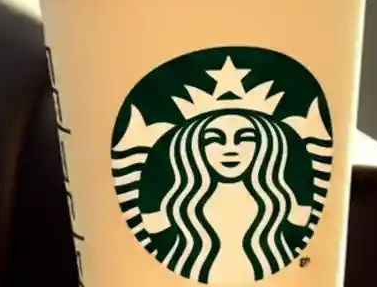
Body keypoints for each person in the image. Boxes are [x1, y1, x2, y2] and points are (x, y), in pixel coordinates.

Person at [134, 110, 313, 283]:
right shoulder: (177, 204)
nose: (230, 149)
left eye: (245, 138)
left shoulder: (281, 201)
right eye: (214, 139)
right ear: (195, 147)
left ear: (264, 145)